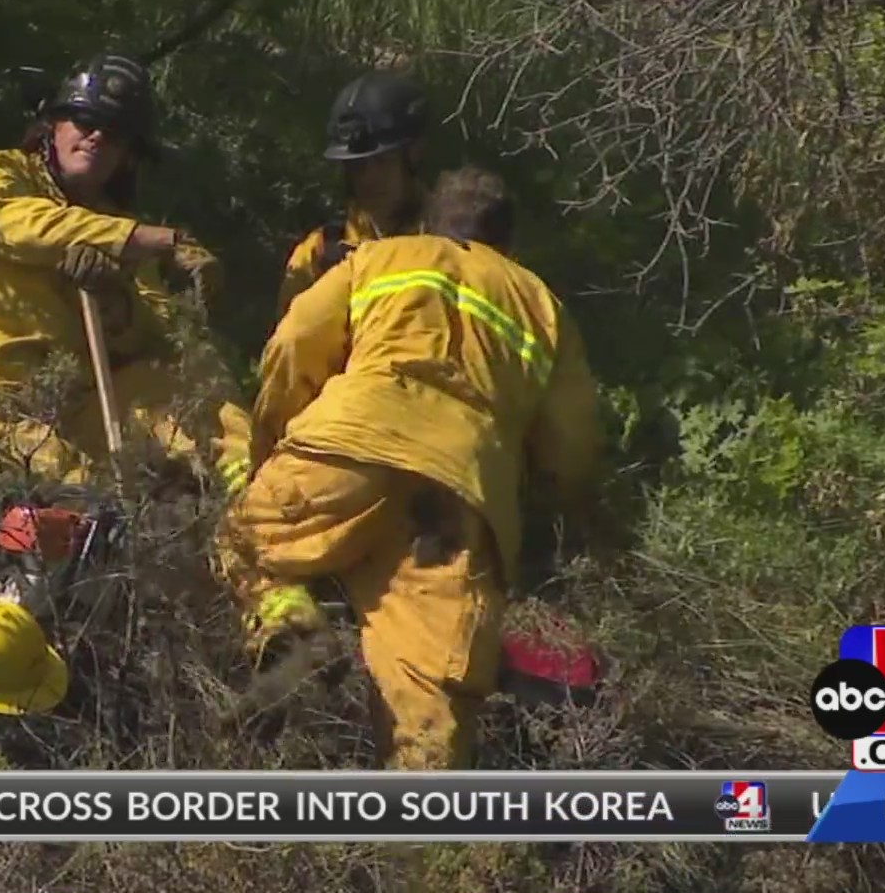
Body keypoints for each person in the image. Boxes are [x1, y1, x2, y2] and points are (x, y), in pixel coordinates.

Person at [215, 165, 605, 769]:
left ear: (429, 224)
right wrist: (559, 515)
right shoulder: (541, 303)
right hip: (461, 492)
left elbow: (294, 345)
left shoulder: (379, 258)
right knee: (428, 699)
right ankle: (421, 812)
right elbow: (573, 441)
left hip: (349, 445)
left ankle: (295, 632)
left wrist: (274, 442)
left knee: (247, 540)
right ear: (509, 242)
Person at [0, 52, 255, 520]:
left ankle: (250, 498)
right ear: (52, 124)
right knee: (61, 473)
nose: (97, 136)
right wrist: (152, 239)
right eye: (85, 121)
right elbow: (24, 227)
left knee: (191, 375)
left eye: (115, 133)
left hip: (71, 406)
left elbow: (158, 333)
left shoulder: (119, 228)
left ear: (128, 155)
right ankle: (107, 524)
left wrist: (117, 298)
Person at [275, 69, 432, 316]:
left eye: (381, 161)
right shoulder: (320, 254)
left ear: (414, 153)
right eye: (357, 166)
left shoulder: (456, 242)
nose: (368, 178)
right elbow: (288, 335)